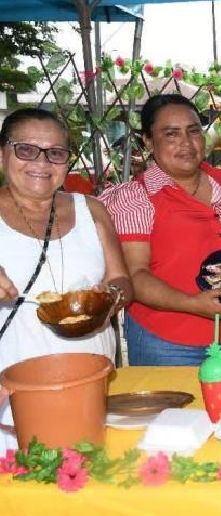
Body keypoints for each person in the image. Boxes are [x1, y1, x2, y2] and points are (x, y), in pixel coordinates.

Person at [101, 94, 221, 367]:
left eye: (193, 131)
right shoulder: (137, 198)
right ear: (148, 141)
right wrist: (194, 304)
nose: (186, 142)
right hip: (167, 343)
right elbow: (135, 274)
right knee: (172, 412)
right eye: (171, 134)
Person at [0, 108, 133, 448]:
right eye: (26, 149)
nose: (41, 163)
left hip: (89, 382)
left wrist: (108, 298)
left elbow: (121, 280)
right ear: (2, 154)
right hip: (13, 393)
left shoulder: (91, 209)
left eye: (56, 153)